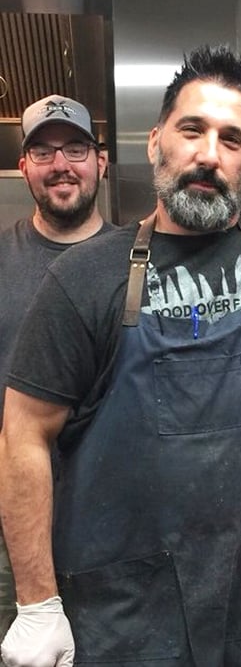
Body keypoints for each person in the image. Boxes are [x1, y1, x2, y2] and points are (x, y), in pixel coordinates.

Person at [0, 46, 241, 667]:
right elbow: (23, 432)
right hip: (115, 607)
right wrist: (37, 603)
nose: (208, 154)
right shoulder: (84, 276)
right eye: (192, 129)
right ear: (157, 140)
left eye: (232, 138)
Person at [0, 94, 113, 645]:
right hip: (16, 528)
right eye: (42, 153)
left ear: (101, 162)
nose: (61, 165)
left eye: (75, 148)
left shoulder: (138, 258)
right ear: (24, 168)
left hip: (119, 521)